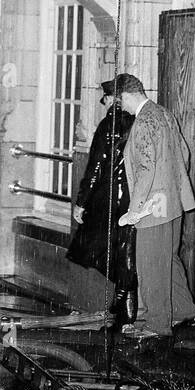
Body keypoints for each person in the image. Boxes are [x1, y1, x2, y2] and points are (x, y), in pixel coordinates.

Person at [112, 73, 195, 340]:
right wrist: (171, 188)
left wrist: (134, 210)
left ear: (126, 95)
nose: (122, 108)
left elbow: (146, 168)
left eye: (120, 102)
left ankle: (158, 324)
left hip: (152, 209)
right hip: (173, 204)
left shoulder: (143, 121)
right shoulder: (164, 114)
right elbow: (183, 153)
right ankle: (185, 309)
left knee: (150, 265)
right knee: (169, 260)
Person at [66, 82, 137, 325]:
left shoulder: (108, 125)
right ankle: (125, 306)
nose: (102, 103)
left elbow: (96, 166)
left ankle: (121, 304)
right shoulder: (136, 122)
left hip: (106, 198)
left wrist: (81, 202)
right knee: (123, 252)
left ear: (113, 98)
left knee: (97, 250)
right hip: (130, 198)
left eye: (104, 98)